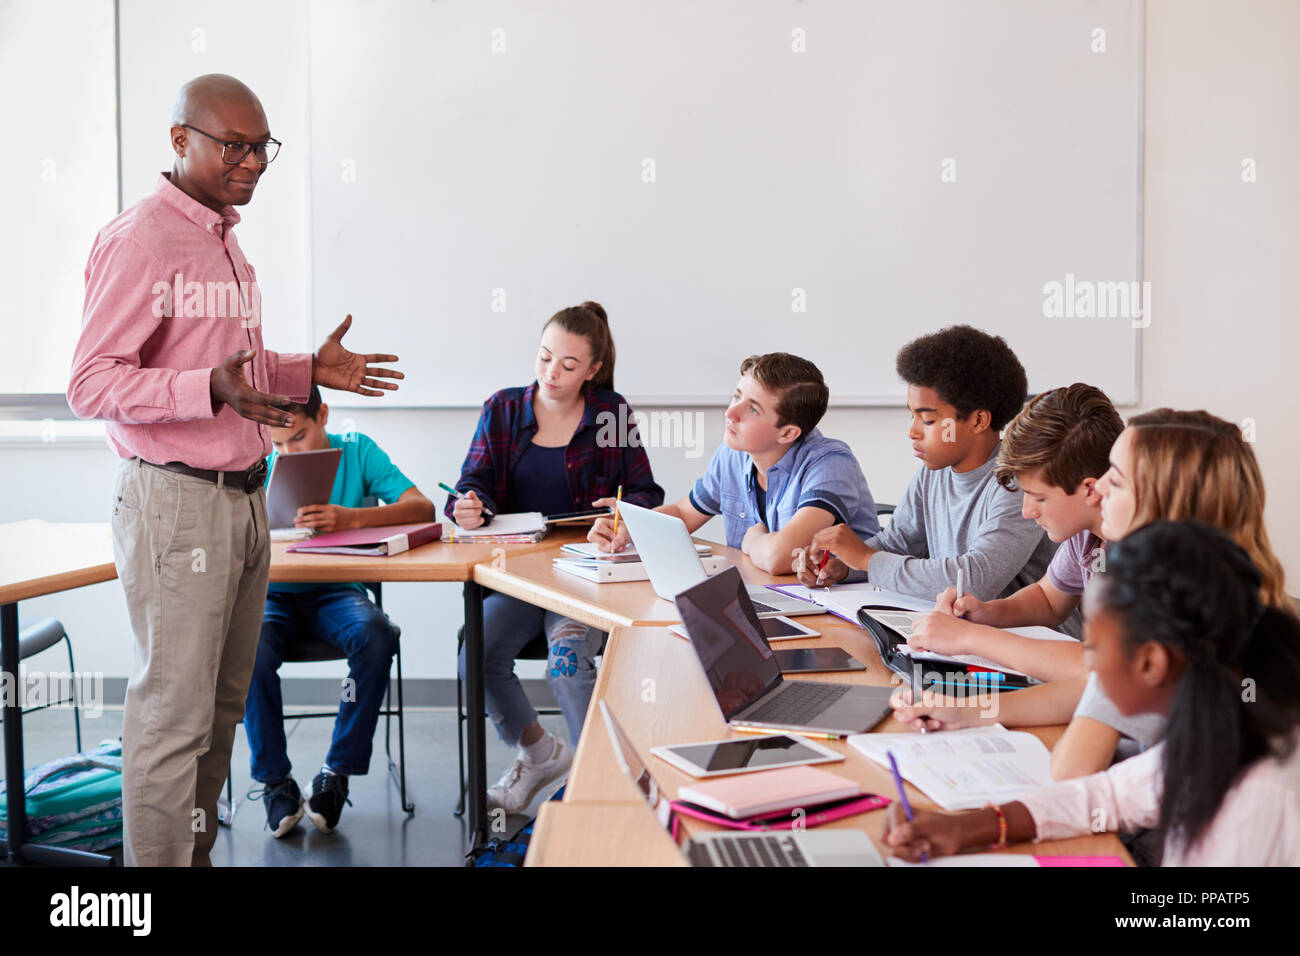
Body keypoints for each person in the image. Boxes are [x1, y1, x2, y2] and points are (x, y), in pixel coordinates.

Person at [67, 74, 402, 865]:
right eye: (234, 146)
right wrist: (203, 388)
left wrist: (306, 370)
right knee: (172, 720)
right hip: (177, 501)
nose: (252, 162)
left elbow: (232, 374)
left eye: (262, 147)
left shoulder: (222, 233)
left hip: (246, 501)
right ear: (180, 140)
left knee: (219, 714)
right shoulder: (140, 238)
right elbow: (91, 384)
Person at [893, 408, 1293, 782]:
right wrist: (970, 711)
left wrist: (972, 649)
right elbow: (1098, 688)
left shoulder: (1177, 616)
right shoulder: (1184, 590)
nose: (1096, 489)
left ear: (1160, 505)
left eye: (1115, 479)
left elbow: (1075, 763)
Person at [883, 520, 1300, 866]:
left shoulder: (1258, 791)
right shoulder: (1218, 720)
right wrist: (963, 827)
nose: (1086, 665)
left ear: (1151, 663)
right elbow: (1110, 795)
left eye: (1093, 648)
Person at [448, 302, 663, 814]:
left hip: (584, 574)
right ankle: (541, 754)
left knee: (568, 662)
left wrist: (620, 518)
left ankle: (602, 778)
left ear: (593, 370)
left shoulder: (610, 413)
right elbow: (471, 483)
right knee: (474, 655)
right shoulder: (502, 408)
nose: (551, 373)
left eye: (568, 365)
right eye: (544, 357)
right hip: (520, 574)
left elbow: (646, 494)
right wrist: (468, 505)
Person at [245, 386, 435, 836]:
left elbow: (422, 508)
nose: (288, 453)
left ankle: (337, 772)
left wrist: (350, 519)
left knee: (376, 635)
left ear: (324, 415)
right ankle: (275, 780)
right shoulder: (255, 462)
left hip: (337, 593)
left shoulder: (357, 450)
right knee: (247, 649)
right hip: (273, 594)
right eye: (278, 445)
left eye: (300, 437)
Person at [798, 326, 1057, 607]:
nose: (913, 432)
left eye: (929, 421)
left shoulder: (1020, 482)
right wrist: (843, 566)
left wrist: (867, 559)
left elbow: (974, 580)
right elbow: (897, 543)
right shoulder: (935, 472)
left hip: (1027, 639)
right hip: (959, 633)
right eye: (913, 416)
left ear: (979, 421)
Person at [905, 384, 1123, 682]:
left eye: (1039, 497)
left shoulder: (1139, 550)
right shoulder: (1086, 533)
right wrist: (985, 614)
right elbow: (1048, 600)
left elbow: (1105, 668)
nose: (1027, 512)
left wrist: (970, 637)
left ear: (1089, 490)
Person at [588, 352, 879, 574]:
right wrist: (632, 530)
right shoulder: (734, 454)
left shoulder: (831, 463)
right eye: (737, 396)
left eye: (752, 408)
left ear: (788, 433)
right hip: (765, 594)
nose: (731, 412)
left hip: (836, 612)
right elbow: (684, 512)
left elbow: (780, 556)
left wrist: (753, 542)